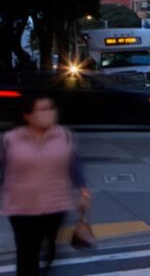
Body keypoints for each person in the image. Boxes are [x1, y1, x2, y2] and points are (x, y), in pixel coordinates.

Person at [0, 93, 89, 276]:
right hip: (21, 207)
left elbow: (75, 165)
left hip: (55, 205)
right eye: (42, 109)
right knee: (27, 253)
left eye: (51, 109)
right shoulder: (10, 139)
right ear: (28, 115)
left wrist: (83, 191)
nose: (49, 113)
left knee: (51, 248)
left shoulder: (64, 136)